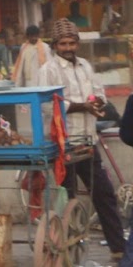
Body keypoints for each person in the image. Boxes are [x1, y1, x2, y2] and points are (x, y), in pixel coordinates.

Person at [40, 18, 125, 260]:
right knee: (68, 199)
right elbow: (47, 106)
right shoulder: (48, 71)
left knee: (104, 194)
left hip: (87, 141)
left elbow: (99, 93)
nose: (68, 48)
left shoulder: (85, 66)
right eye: (63, 44)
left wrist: (97, 103)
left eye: (72, 43)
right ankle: (63, 251)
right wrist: (82, 106)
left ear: (77, 44)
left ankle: (119, 249)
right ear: (55, 45)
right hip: (62, 144)